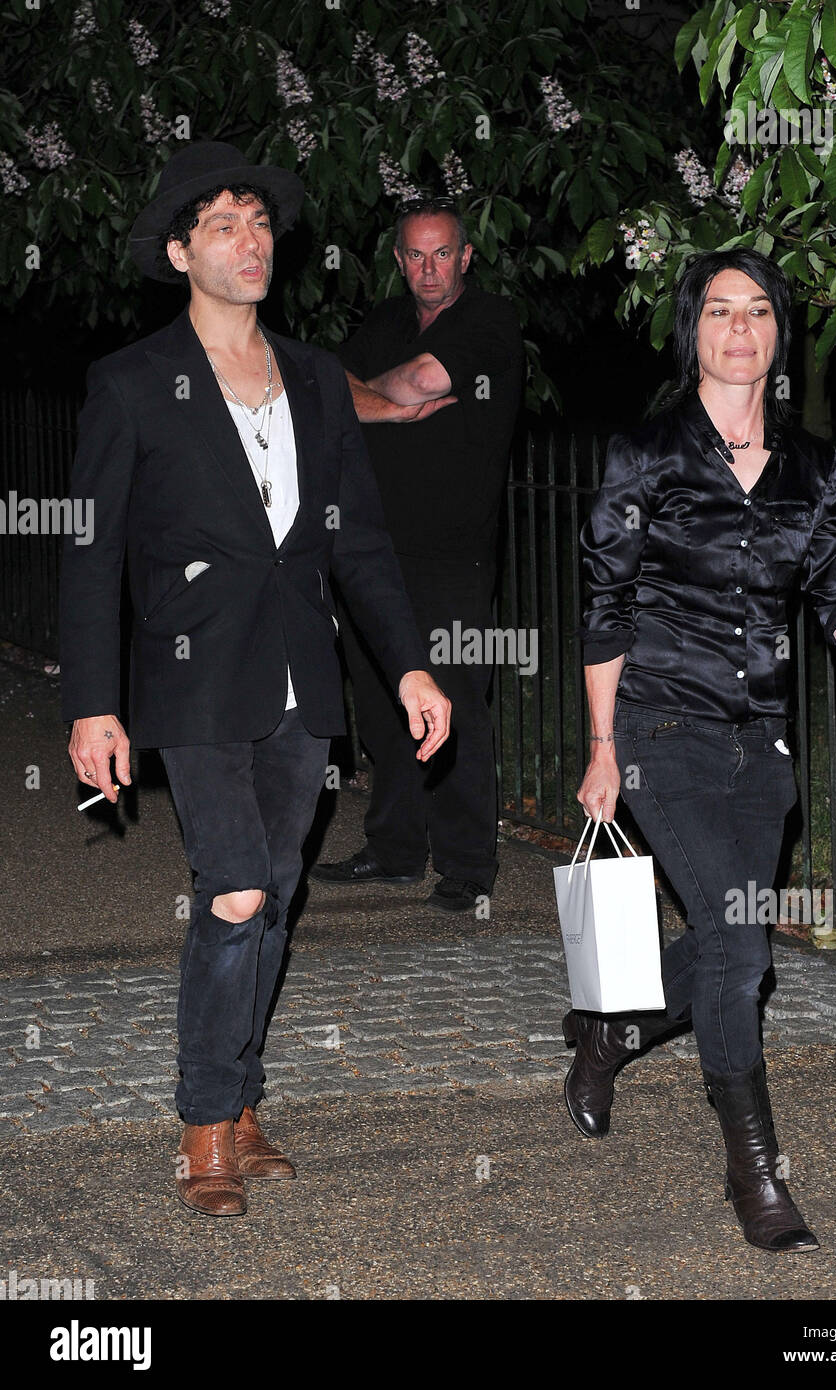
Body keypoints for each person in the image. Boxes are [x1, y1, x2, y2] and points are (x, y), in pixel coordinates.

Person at [59, 142, 451, 1218]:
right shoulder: (133, 382)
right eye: (222, 224)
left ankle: (238, 1100)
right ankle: (204, 1123)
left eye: (260, 222)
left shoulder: (317, 378)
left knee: (272, 894)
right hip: (191, 679)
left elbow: (358, 542)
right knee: (233, 890)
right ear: (179, 252)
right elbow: (91, 550)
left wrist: (411, 666)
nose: (249, 240)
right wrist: (92, 703)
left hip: (299, 678)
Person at [572, 248, 836, 1252]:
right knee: (740, 952)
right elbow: (605, 606)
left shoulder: (813, 468)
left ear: (779, 332)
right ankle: (755, 1172)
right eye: (718, 311)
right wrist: (600, 745)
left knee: (728, 944)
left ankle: (611, 1032)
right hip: (657, 727)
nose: (739, 329)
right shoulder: (644, 455)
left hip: (760, 741)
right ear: (690, 329)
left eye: (758, 312)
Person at [311, 196, 523, 913]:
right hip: (372, 547)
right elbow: (324, 388)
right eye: (415, 254)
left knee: (454, 698)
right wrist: (390, 406)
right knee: (380, 699)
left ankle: (467, 864)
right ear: (399, 261)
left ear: (465, 256)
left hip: (453, 553)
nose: (429, 269)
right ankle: (395, 847)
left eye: (442, 253)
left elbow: (425, 379)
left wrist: (377, 394)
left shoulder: (491, 320)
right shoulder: (385, 323)